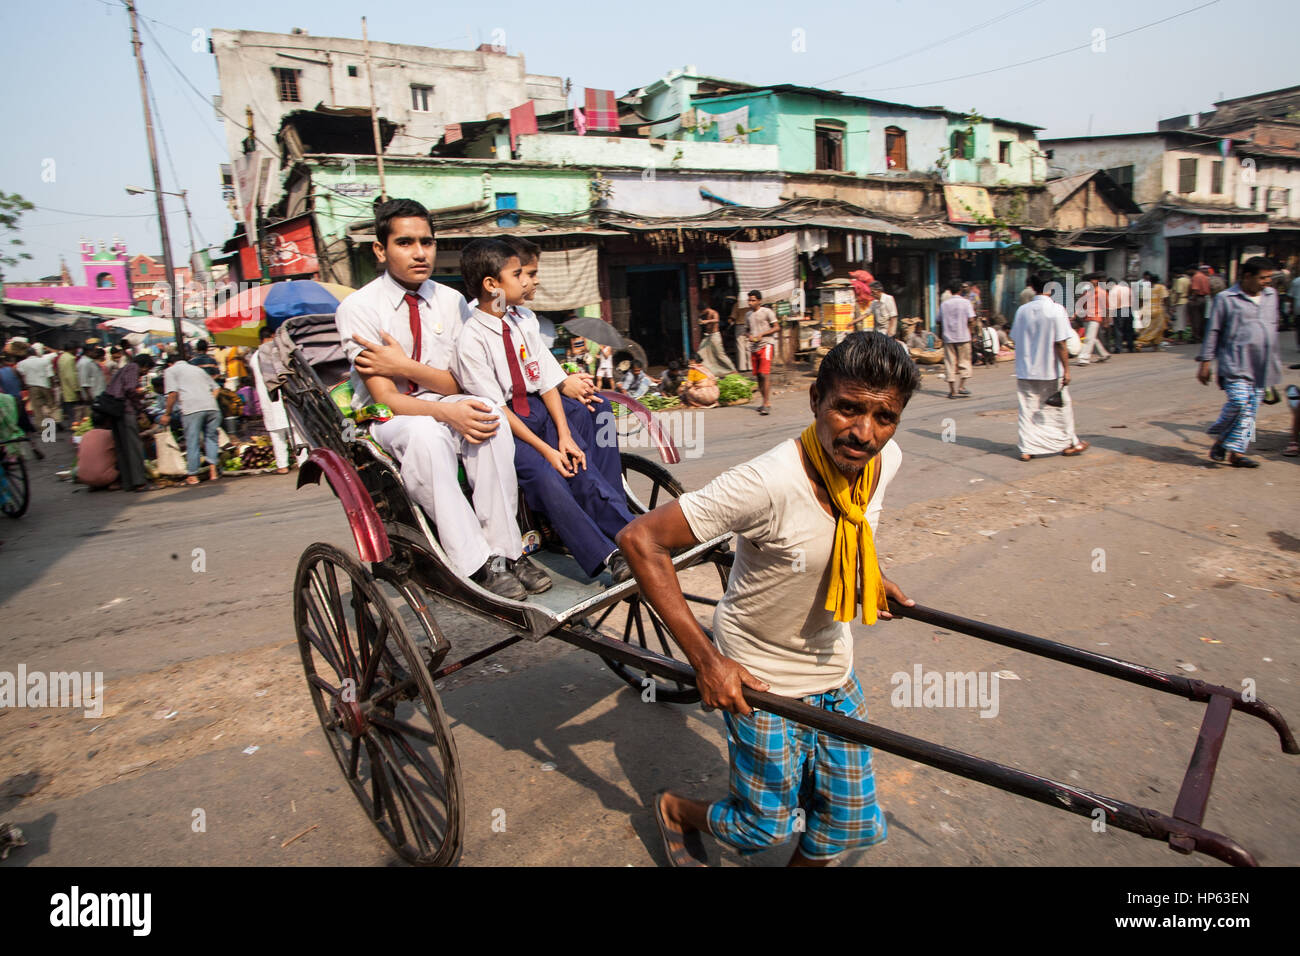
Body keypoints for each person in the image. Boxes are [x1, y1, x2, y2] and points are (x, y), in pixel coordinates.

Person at [618, 331, 918, 867]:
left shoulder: (883, 459)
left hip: (832, 664)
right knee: (765, 827)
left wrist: (869, 572)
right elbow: (640, 540)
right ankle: (677, 810)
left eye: (883, 417)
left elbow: (853, 529)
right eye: (847, 409)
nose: (863, 433)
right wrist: (707, 662)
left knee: (845, 819)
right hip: (761, 673)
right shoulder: (768, 482)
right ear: (816, 402)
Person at [335, 198, 544, 600]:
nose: (419, 253)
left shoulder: (451, 302)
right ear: (381, 250)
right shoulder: (359, 309)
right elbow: (385, 396)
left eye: (427, 242)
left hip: (447, 403)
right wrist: (445, 409)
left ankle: (507, 552)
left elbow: (466, 378)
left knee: (490, 418)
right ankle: (475, 562)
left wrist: (404, 365)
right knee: (427, 436)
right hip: (391, 418)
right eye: (405, 243)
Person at [451, 237, 636, 585]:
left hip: (538, 409)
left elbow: (548, 380)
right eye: (518, 273)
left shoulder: (523, 321)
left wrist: (564, 436)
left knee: (577, 460)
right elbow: (496, 408)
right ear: (492, 285)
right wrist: (547, 450)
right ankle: (607, 554)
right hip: (508, 423)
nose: (526, 281)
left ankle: (628, 533)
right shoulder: (470, 339)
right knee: (547, 473)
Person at [1197, 256, 1282, 468]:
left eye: (1269, 278)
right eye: (1263, 278)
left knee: (1251, 410)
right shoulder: (1226, 298)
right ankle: (1220, 435)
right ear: (1247, 276)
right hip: (1235, 362)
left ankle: (1235, 452)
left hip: (1263, 364)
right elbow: (1214, 330)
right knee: (1239, 401)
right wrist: (1205, 362)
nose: (1267, 282)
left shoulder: (1271, 296)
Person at [1011, 270, 1088, 461]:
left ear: (1032, 287)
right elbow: (1061, 343)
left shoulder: (1022, 311)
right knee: (1061, 408)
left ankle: (1027, 449)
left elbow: (1015, 338)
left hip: (1025, 369)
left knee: (1027, 409)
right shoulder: (1056, 310)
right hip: (1050, 369)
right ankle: (1072, 442)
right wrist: (1067, 370)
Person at [160, 356, 221, 485]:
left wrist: (167, 413)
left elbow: (172, 394)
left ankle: (193, 475)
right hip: (212, 407)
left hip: (191, 408)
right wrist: (209, 400)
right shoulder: (197, 369)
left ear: (170, 364)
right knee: (211, 438)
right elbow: (216, 388)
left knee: (192, 440)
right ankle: (213, 472)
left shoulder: (171, 371)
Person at [103, 354, 155, 492]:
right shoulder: (133, 368)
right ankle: (139, 482)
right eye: (147, 369)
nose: (146, 373)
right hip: (126, 410)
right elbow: (130, 389)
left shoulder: (124, 368)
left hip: (115, 411)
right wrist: (140, 403)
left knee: (122, 448)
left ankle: (128, 482)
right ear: (144, 365)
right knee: (134, 447)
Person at [251, 326, 292, 473]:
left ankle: (283, 465)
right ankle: (303, 461)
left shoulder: (254, 356)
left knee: (277, 435)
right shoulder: (276, 351)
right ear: (271, 336)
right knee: (296, 431)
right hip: (284, 396)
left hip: (270, 398)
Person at [938, 279, 974, 397]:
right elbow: (971, 320)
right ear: (960, 290)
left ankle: (952, 390)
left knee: (949, 363)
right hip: (963, 336)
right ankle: (961, 386)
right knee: (964, 362)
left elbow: (938, 320)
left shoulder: (944, 304)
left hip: (948, 338)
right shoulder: (966, 303)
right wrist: (971, 332)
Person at [745, 290, 778, 415]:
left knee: (764, 374)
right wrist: (749, 336)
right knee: (758, 375)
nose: (750, 303)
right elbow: (746, 330)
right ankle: (764, 402)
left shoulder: (767, 312)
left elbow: (776, 327)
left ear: (759, 301)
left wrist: (762, 334)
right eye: (749, 300)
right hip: (754, 346)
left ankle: (766, 403)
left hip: (766, 344)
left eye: (753, 300)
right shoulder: (748, 315)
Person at [16, 346, 58, 434]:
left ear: (27, 354)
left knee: (37, 408)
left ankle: (43, 428)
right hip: (45, 385)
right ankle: (55, 423)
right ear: (35, 353)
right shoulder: (44, 361)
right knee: (51, 405)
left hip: (32, 387)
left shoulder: (22, 363)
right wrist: (52, 386)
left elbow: (20, 374)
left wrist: (24, 384)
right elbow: (50, 375)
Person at [1073, 272, 1111, 366]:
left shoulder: (1102, 292)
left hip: (1096, 318)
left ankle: (1083, 359)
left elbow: (1107, 308)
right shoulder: (1086, 292)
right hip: (1086, 318)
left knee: (1089, 338)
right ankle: (1103, 354)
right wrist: (1075, 314)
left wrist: (1106, 321)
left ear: (1096, 281)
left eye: (1092, 280)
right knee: (1092, 338)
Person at [697, 303, 738, 377]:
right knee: (701, 352)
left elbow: (716, 320)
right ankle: (707, 370)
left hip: (715, 336)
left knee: (720, 354)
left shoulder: (714, 313)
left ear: (704, 309)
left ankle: (733, 369)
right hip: (708, 336)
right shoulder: (705, 314)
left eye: (701, 311)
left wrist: (707, 321)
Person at [1135, 273, 1170, 351]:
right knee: (1158, 329)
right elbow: (1165, 299)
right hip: (1158, 312)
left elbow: (1141, 301)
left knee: (1146, 329)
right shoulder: (1161, 287)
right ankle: (1156, 347)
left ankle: (1139, 344)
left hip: (1147, 311)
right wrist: (1168, 309)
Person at [77, 346, 106, 421]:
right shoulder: (84, 363)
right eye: (94, 351)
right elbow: (84, 382)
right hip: (93, 394)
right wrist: (89, 396)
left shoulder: (90, 361)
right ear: (88, 352)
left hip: (98, 393)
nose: (95, 353)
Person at [1109, 277, 1135, 353]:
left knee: (1118, 330)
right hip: (1129, 309)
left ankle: (1118, 348)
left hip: (1119, 310)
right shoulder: (1127, 289)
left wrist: (1110, 318)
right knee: (1129, 330)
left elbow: (1112, 305)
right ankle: (1131, 347)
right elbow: (1133, 301)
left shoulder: (1113, 291)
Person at [57, 346, 79, 426]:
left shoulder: (61, 357)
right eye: (76, 349)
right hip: (71, 388)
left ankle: (73, 424)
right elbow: (71, 376)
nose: (77, 351)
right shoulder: (70, 359)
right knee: (76, 411)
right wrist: (77, 389)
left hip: (65, 387)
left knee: (70, 410)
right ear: (72, 349)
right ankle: (76, 425)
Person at [1189, 265, 1212, 343]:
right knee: (1202, 319)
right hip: (1204, 298)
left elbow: (1195, 289)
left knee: (1195, 319)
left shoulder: (1196, 276)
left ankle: (1196, 337)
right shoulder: (1205, 277)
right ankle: (1201, 336)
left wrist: (1193, 298)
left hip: (1197, 298)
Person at [732, 298, 752, 374]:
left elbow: (733, 316)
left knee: (740, 346)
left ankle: (742, 367)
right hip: (749, 326)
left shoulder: (737, 305)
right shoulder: (749, 304)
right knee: (748, 346)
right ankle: (750, 366)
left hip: (739, 325)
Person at [1170, 268, 1191, 337]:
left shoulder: (1179, 281)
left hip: (1180, 302)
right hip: (1186, 300)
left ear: (1176, 274)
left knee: (1179, 319)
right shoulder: (1187, 280)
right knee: (1183, 319)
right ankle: (1181, 336)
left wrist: (1174, 304)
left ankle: (1180, 337)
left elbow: (1178, 292)